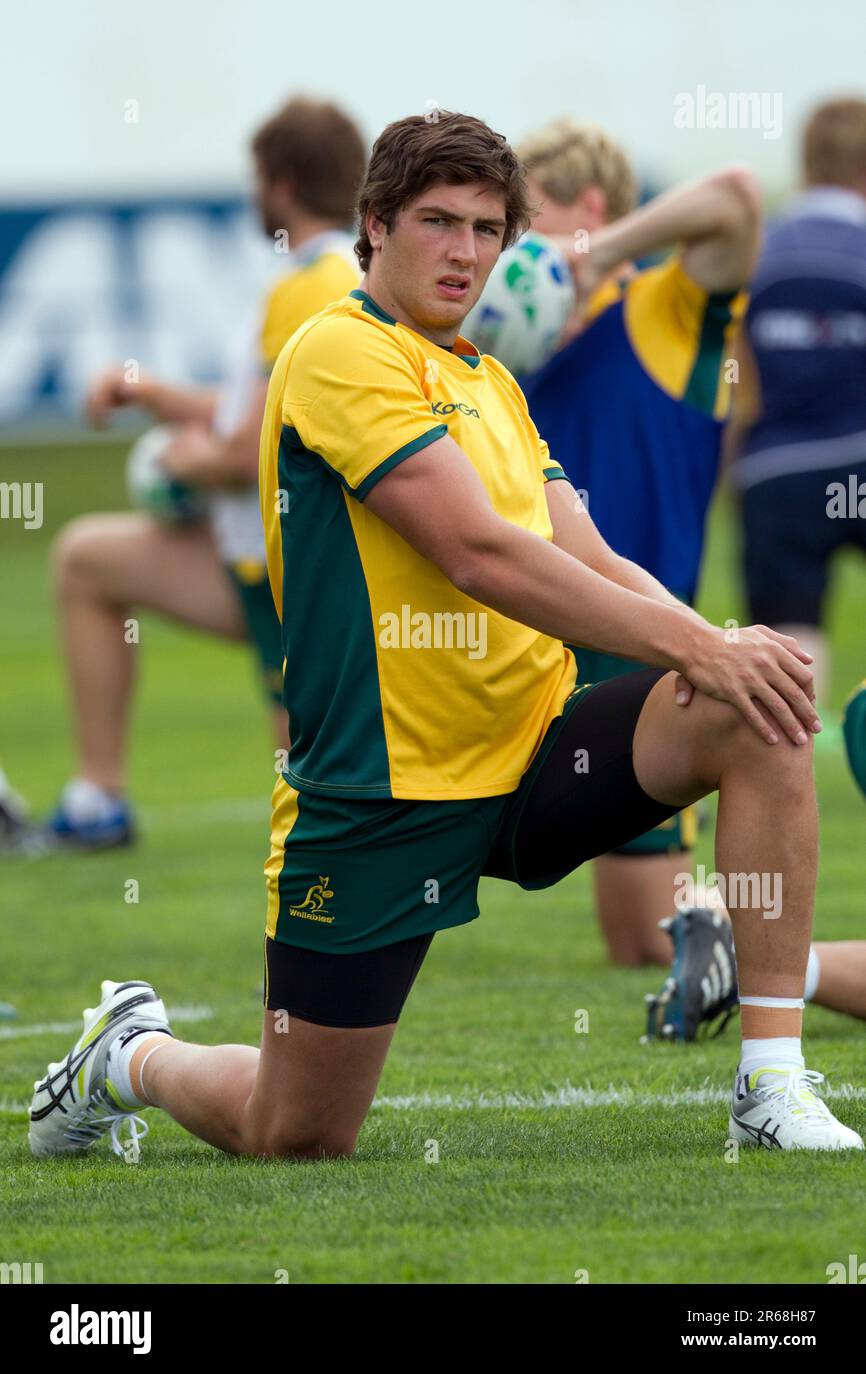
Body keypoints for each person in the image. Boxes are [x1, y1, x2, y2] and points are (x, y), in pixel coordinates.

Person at [29, 111, 861, 1162]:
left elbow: (589, 553)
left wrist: (723, 645)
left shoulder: (489, 379)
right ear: (372, 226)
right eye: (436, 221)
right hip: (382, 792)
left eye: (484, 228)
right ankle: (129, 1051)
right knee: (294, 1133)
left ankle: (769, 1085)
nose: (464, 252)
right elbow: (482, 555)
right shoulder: (338, 348)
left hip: (529, 751)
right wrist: (697, 649)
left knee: (759, 710)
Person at [43, 97, 365, 849]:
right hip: (284, 555)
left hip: (283, 565)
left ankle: (327, 952)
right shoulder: (338, 270)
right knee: (87, 561)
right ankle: (97, 799)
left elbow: (245, 447)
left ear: (281, 182)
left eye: (259, 178)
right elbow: (269, 408)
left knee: (312, 791)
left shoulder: (304, 286)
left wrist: (183, 462)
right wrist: (158, 395)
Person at [518, 119, 752, 978]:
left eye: (528, 232)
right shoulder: (514, 337)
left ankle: (773, 965)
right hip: (520, 648)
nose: (513, 260)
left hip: (640, 655)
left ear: (588, 212)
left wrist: (589, 258)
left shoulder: (662, 307)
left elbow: (735, 196)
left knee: (642, 945)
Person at [728, 97, 866, 708]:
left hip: (777, 475)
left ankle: (789, 784)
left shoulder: (757, 255)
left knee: (790, 662)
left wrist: (730, 479)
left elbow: (739, 389)